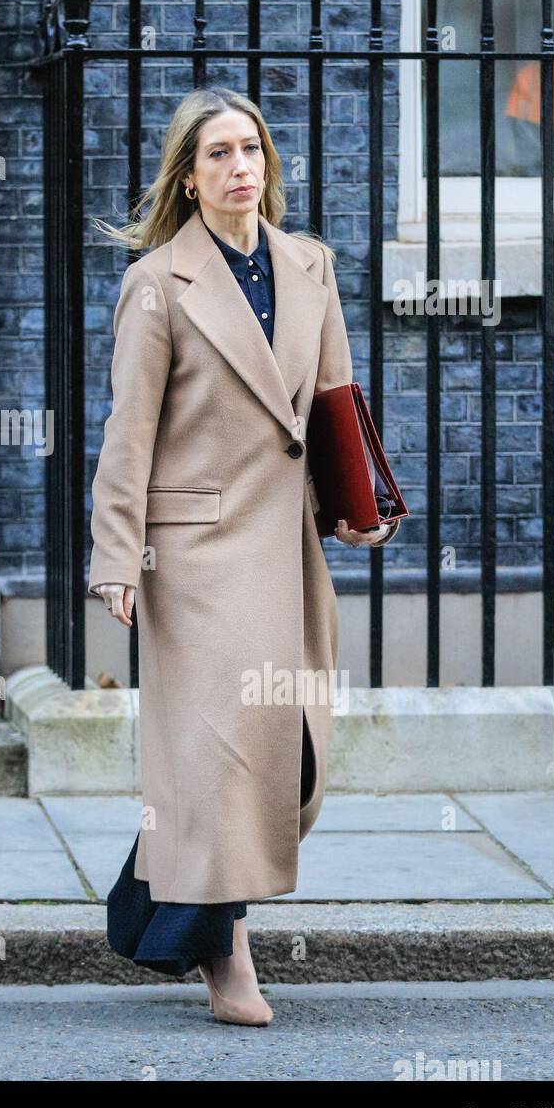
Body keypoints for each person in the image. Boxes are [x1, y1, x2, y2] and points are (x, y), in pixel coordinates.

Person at [88, 87, 398, 1026]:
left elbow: (336, 399)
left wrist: (356, 506)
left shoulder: (311, 266)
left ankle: (154, 900)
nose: (242, 168)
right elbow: (128, 433)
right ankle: (229, 962)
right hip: (194, 556)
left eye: (252, 150)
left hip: (287, 549)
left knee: (292, 763)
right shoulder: (159, 283)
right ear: (190, 177)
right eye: (220, 153)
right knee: (224, 764)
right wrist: (115, 559)